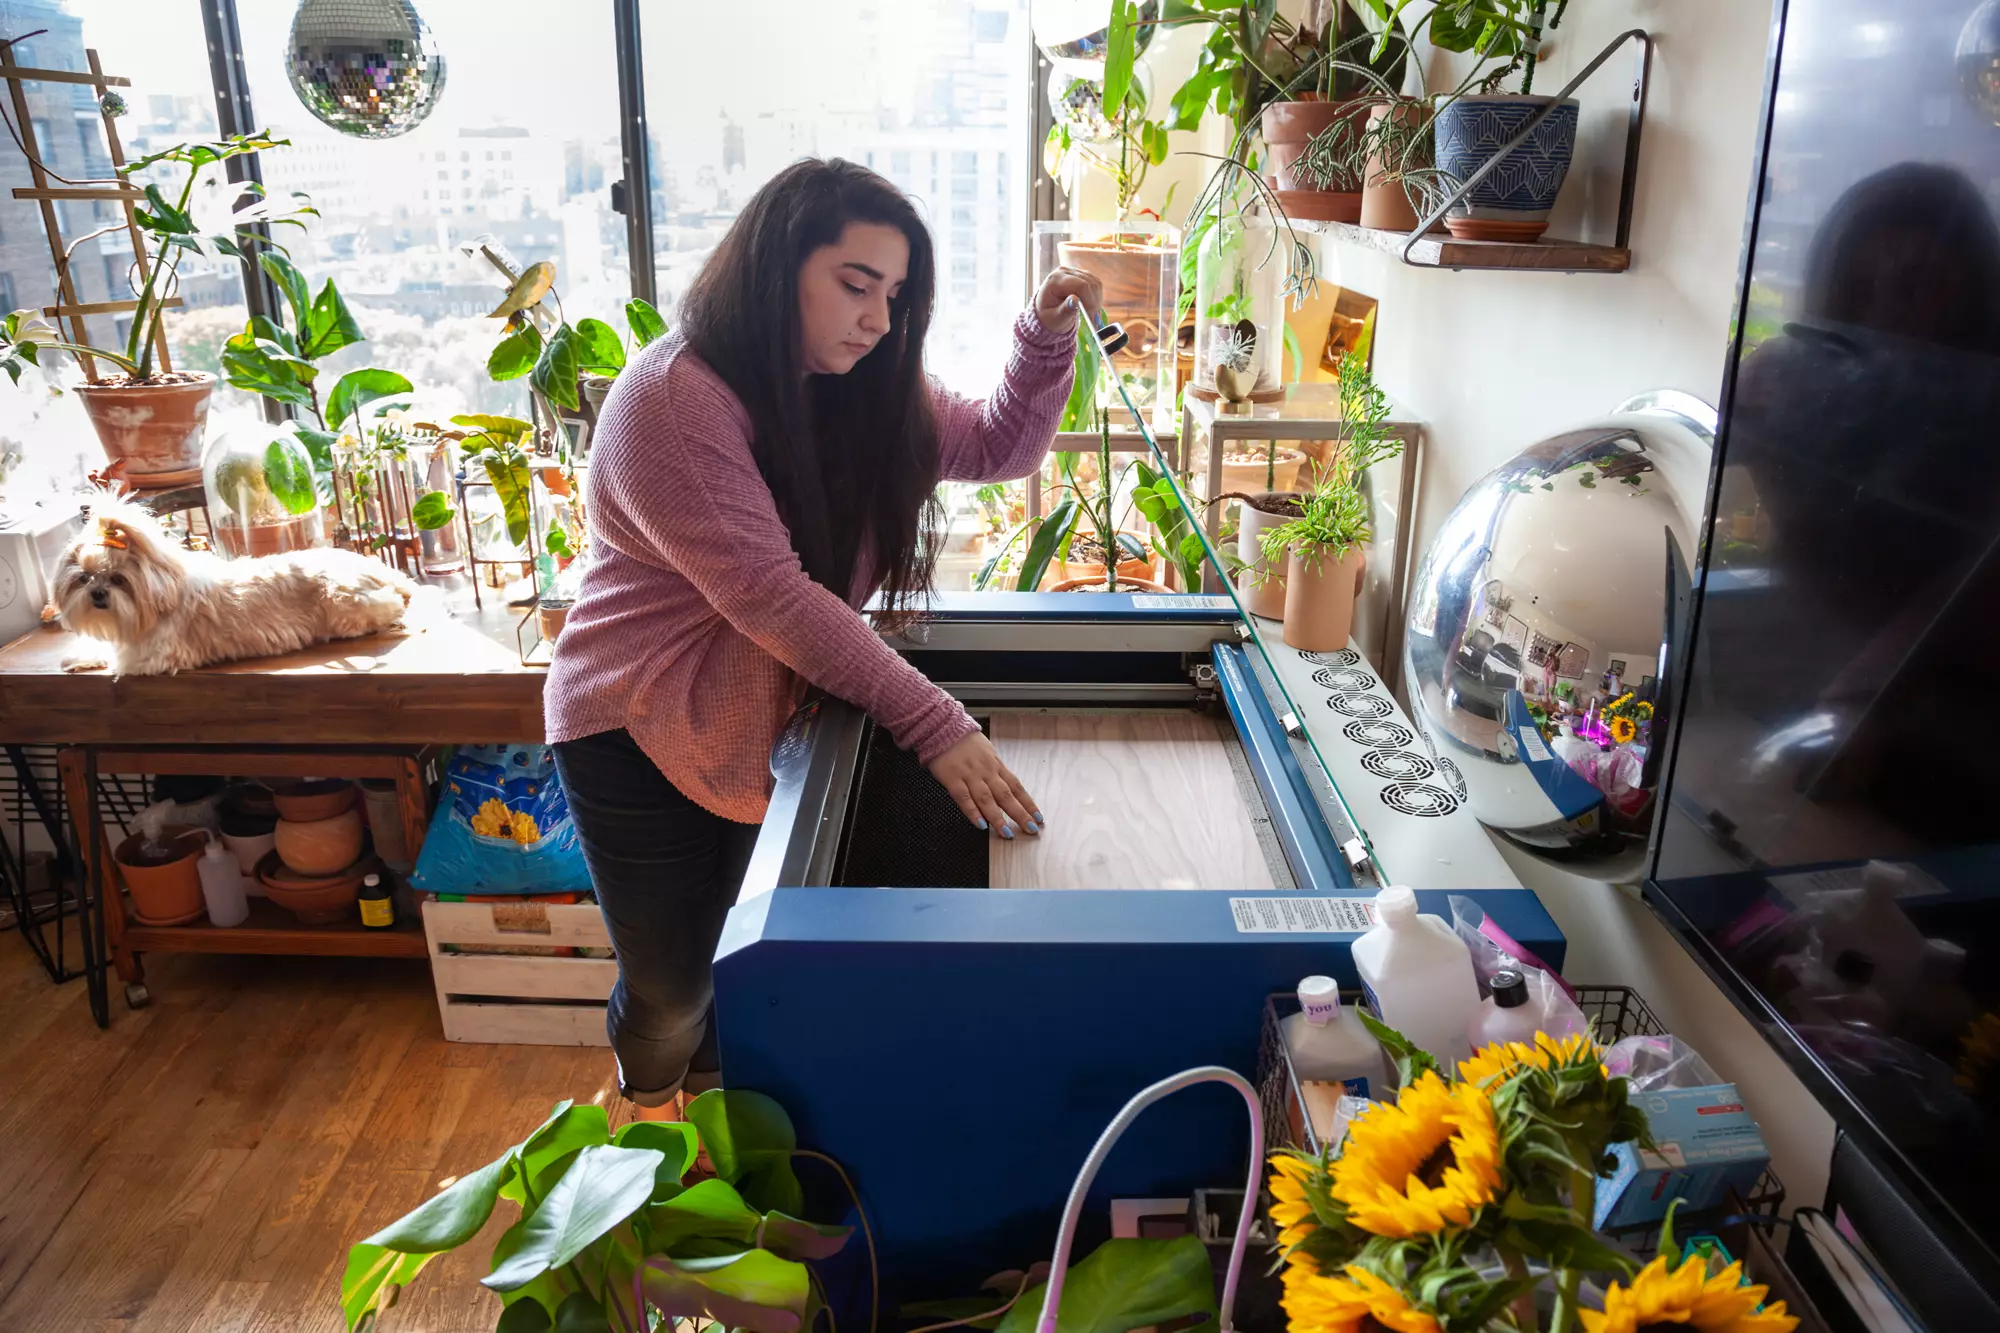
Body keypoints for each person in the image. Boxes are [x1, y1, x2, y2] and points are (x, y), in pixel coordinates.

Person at [544, 157, 1101, 1117]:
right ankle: (642, 1114)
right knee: (674, 988)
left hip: (761, 717)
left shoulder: (860, 385)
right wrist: (937, 722)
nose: (879, 318)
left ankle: (719, 1130)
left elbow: (997, 447)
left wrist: (1046, 337)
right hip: (635, 721)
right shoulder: (675, 399)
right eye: (855, 285)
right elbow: (773, 596)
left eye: (895, 294)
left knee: (744, 963)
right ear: (775, 265)